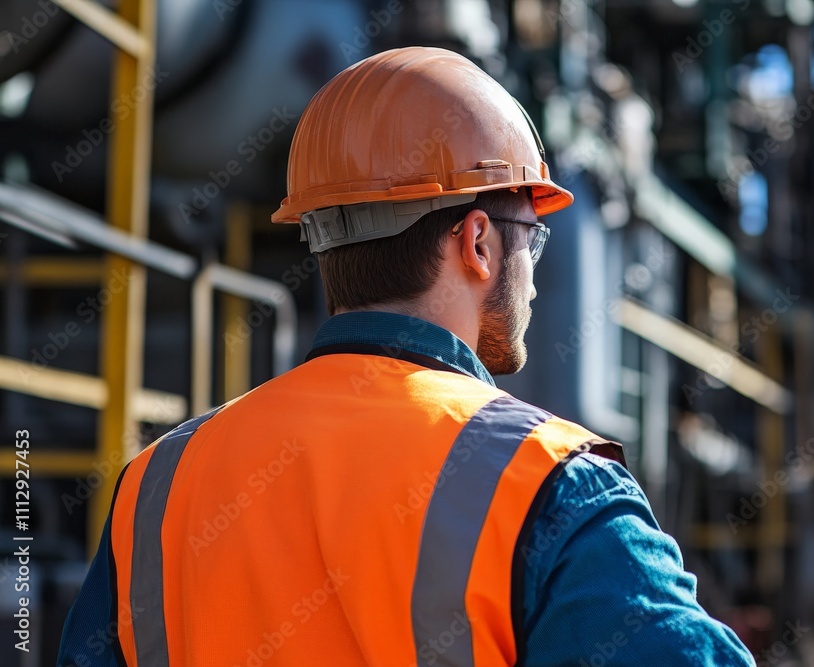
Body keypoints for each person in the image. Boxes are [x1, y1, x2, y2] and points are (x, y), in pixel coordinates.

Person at [58, 46, 754, 666]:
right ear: (478, 242)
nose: (535, 274)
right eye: (531, 239)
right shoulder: (546, 485)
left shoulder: (158, 484)